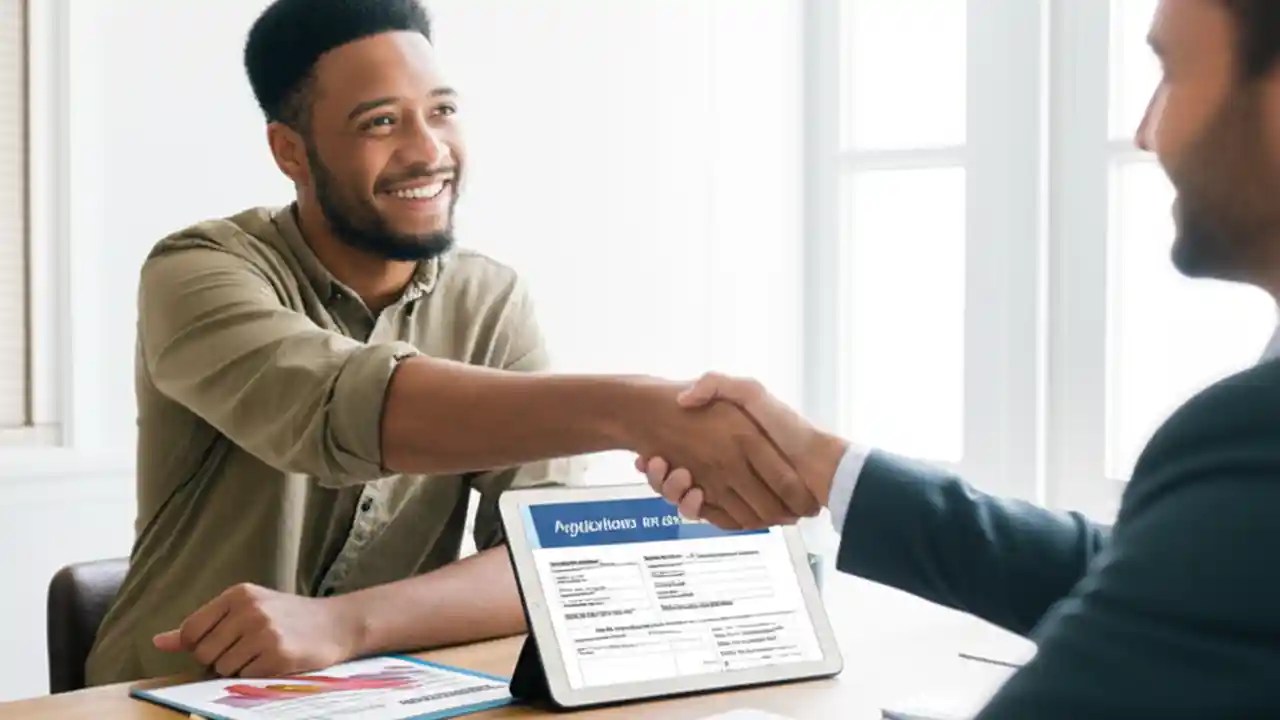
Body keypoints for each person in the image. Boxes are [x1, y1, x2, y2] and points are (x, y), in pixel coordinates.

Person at [85, 0, 817, 686]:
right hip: (166, 694)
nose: (428, 150)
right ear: (290, 152)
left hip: (380, 691)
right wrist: (636, 409)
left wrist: (344, 625)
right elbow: (337, 409)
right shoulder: (197, 271)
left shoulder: (490, 300)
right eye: (380, 123)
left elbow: (540, 555)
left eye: (442, 111)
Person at [644, 0, 1280, 716]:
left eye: (1170, 72)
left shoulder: (1255, 429)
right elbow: (1162, 587)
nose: (1146, 133)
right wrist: (827, 463)